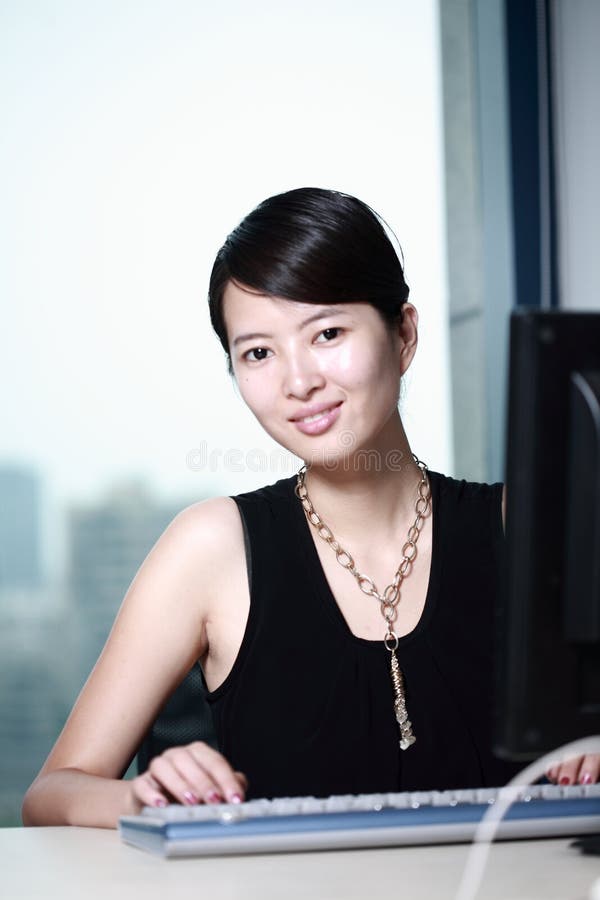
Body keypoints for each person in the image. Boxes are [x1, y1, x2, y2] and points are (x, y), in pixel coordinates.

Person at [22, 187, 599, 828]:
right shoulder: (210, 548)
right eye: (259, 353)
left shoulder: (525, 528)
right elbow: (50, 794)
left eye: (327, 332)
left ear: (403, 334)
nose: (298, 383)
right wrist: (142, 799)